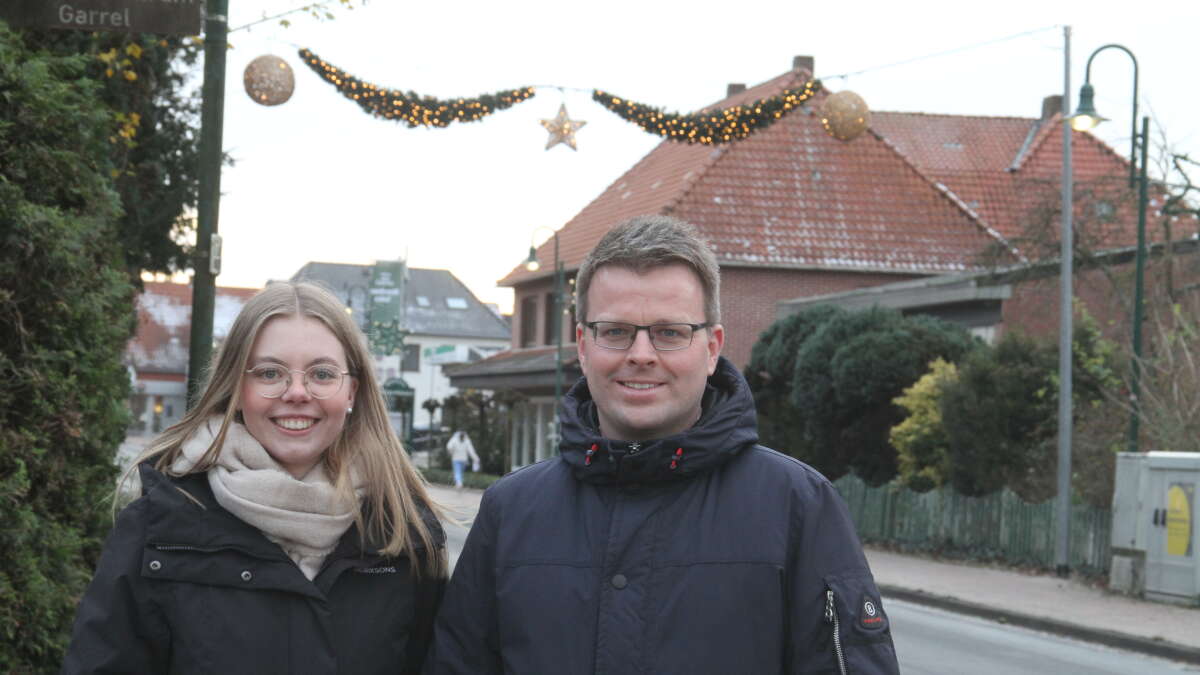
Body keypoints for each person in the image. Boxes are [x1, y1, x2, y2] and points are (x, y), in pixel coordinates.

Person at [426, 215, 899, 673]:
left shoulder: (798, 505)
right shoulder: (511, 511)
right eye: (616, 332)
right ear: (583, 346)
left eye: (670, 333)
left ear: (712, 348)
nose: (641, 355)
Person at [63, 281, 447, 674]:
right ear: (236, 386)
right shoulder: (156, 528)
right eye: (269, 372)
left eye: (322, 373)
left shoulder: (406, 534)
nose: (297, 392)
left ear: (351, 391)